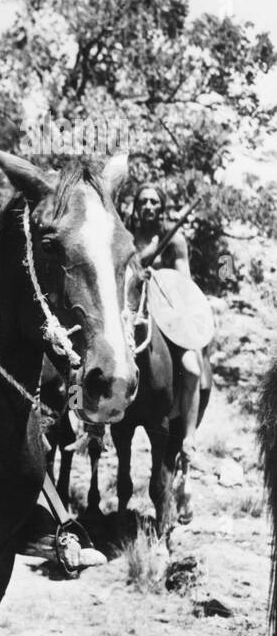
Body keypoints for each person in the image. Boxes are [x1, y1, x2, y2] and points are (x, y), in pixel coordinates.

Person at [130, 183, 211, 469]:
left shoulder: (174, 240)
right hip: (131, 312)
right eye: (143, 201)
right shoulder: (126, 235)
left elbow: (184, 284)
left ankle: (188, 440)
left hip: (167, 317)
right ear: (136, 206)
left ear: (161, 207)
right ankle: (92, 427)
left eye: (154, 202)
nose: (149, 206)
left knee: (192, 369)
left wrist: (158, 278)